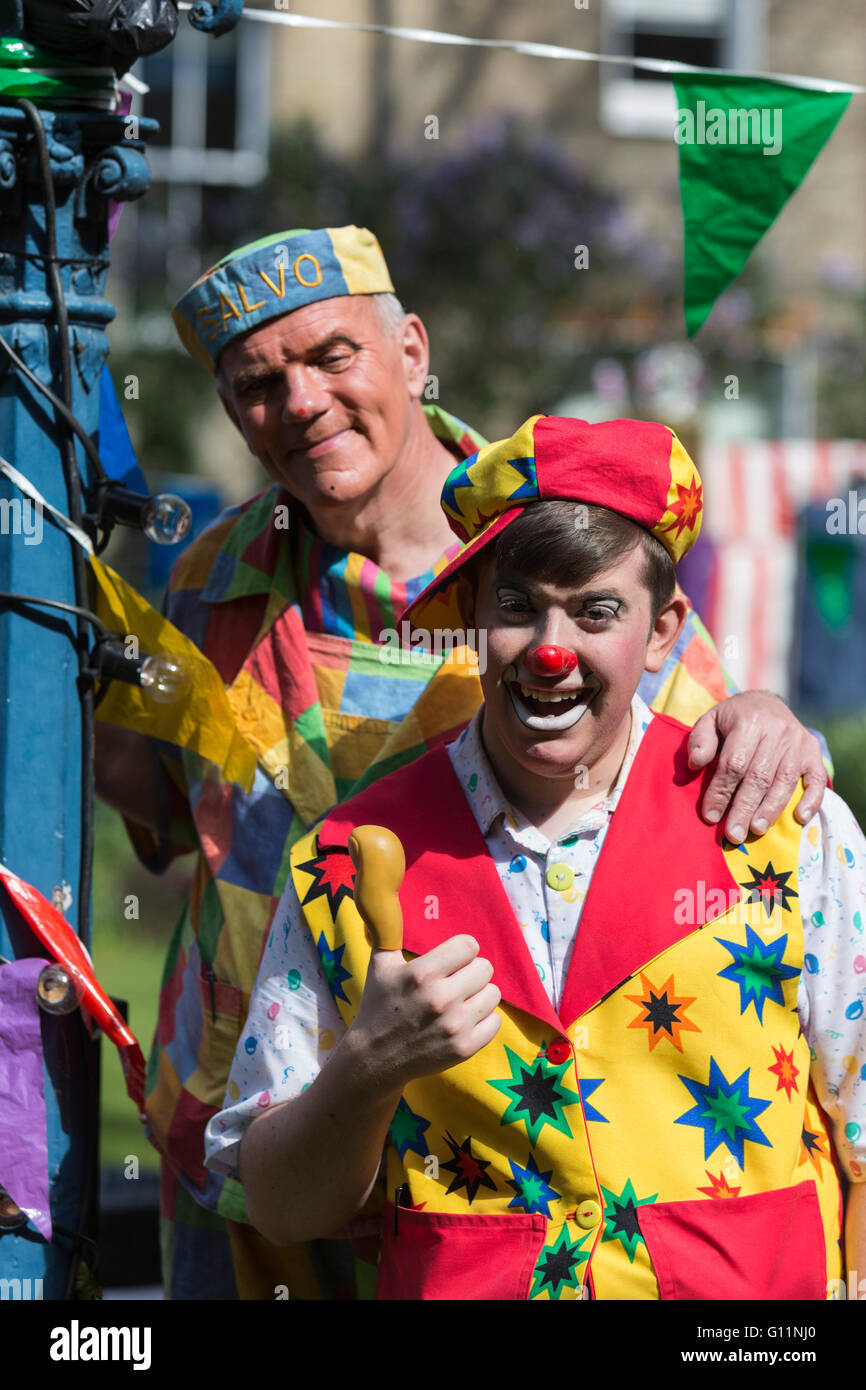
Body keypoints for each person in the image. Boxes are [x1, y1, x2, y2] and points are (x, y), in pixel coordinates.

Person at [96, 228, 830, 1300]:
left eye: (331, 356)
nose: (298, 403)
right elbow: (156, 813)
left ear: (410, 348)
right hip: (246, 1152)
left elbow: (701, 784)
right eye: (256, 383)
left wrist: (770, 719)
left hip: (475, 1181)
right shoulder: (212, 579)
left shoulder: (549, 538)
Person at [208, 415, 864, 1300]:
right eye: (518, 606)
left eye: (597, 610)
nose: (551, 652)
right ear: (472, 609)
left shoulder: (783, 825)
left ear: (663, 629)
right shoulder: (342, 864)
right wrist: (366, 1071)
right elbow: (281, 1207)